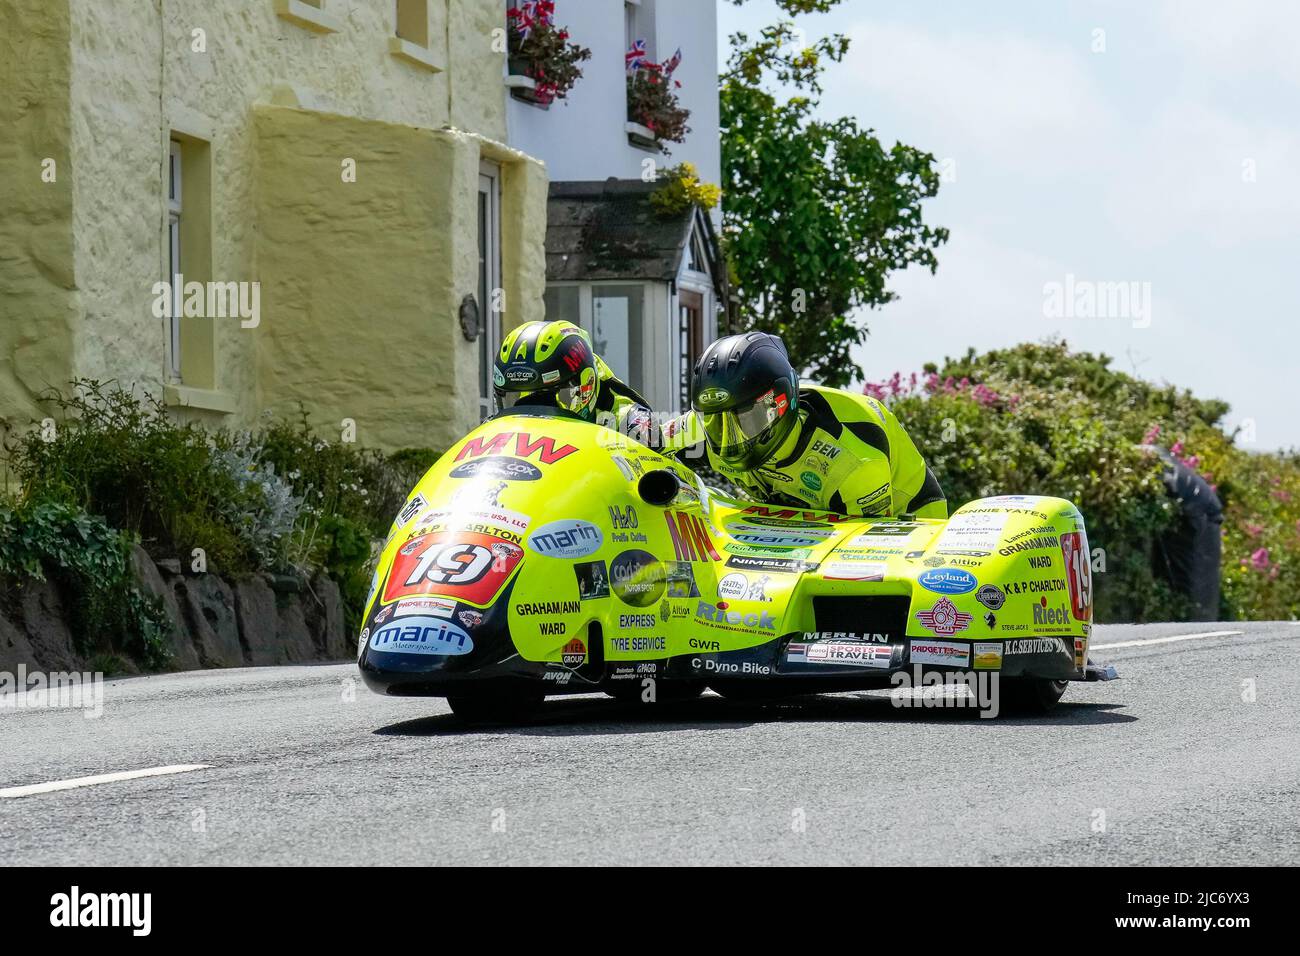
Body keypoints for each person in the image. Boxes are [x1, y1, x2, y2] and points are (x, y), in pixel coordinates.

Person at [663, 332, 947, 519]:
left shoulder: (855, 462)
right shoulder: (713, 420)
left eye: (745, 420)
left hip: (906, 524)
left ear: (781, 405)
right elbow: (641, 436)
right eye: (714, 422)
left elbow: (870, 562)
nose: (728, 437)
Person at [493, 321, 654, 440]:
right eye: (527, 398)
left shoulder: (630, 421)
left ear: (587, 382)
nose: (534, 410)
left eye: (562, 394)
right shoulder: (498, 430)